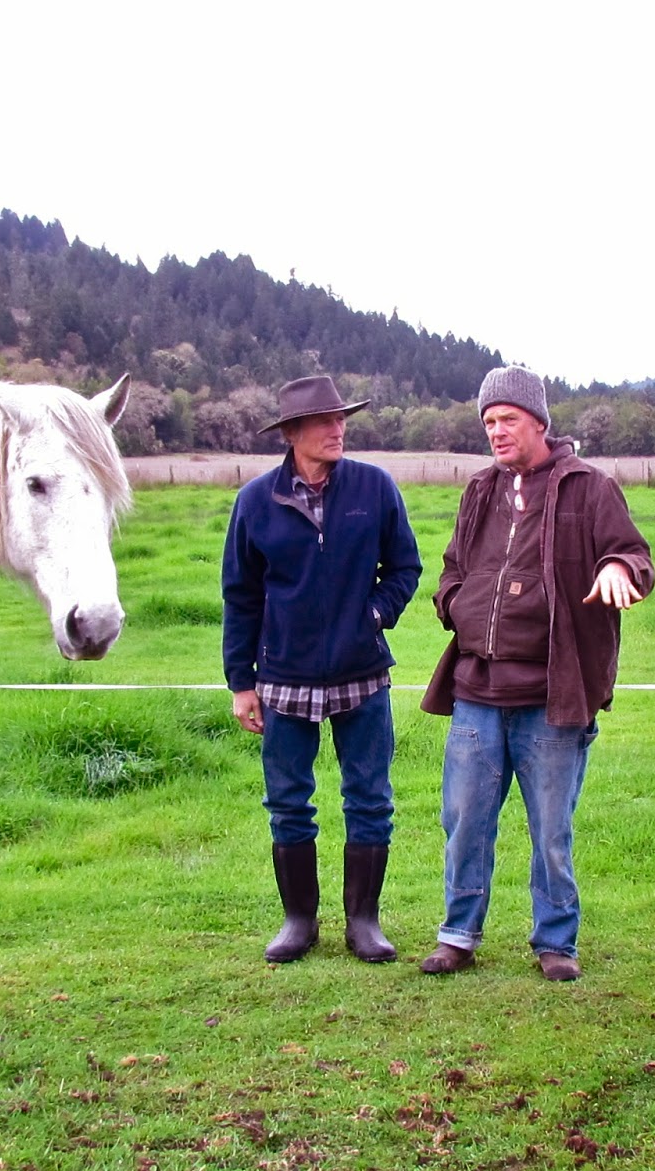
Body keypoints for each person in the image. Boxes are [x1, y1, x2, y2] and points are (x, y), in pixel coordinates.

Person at [419, 365, 654, 981]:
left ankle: (556, 942)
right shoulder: (478, 491)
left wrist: (620, 571)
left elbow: (633, 554)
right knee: (465, 819)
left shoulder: (588, 488)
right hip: (476, 689)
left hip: (552, 694)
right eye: (488, 422)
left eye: (508, 420)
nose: (497, 432)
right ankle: (458, 934)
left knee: (551, 829)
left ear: (539, 422)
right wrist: (457, 606)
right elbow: (450, 570)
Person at [222, 376, 422, 964]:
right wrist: (241, 681)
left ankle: (364, 922)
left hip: (363, 676)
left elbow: (405, 566)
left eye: (342, 419)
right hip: (283, 679)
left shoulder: (374, 487)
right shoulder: (256, 501)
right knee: (288, 800)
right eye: (324, 422)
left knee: (369, 798)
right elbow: (241, 595)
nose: (339, 430)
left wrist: (375, 614)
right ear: (291, 433)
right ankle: (299, 921)